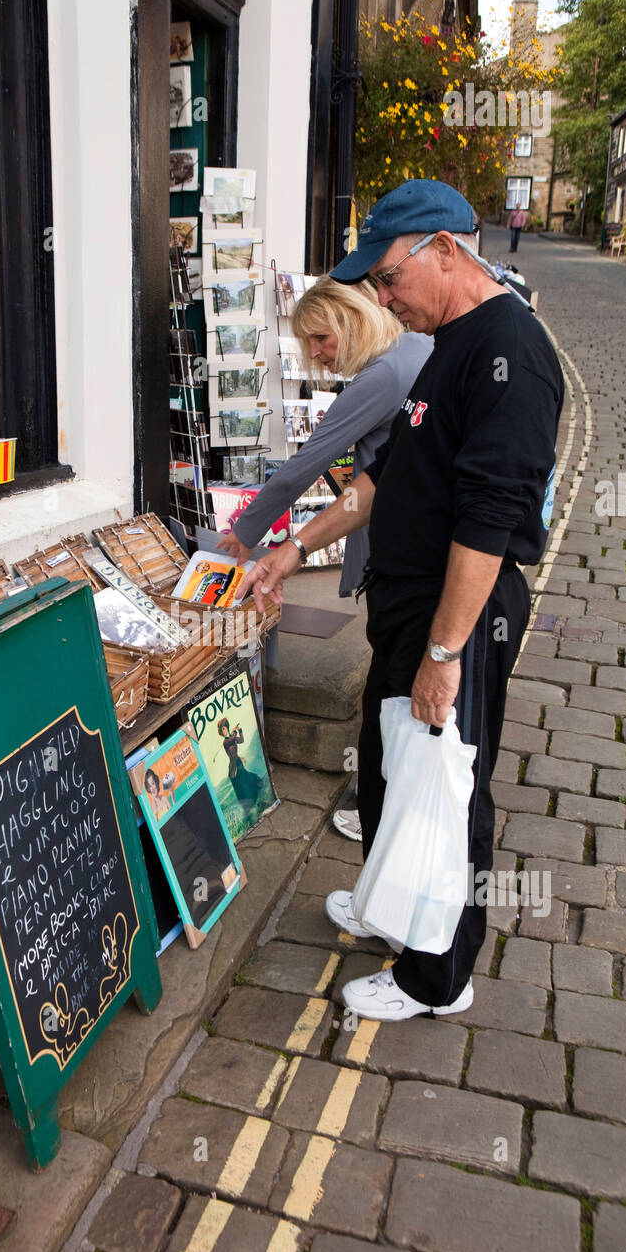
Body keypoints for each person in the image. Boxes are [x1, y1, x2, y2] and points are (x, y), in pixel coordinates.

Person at [237, 178, 562, 1023]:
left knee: (449, 785)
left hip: (458, 615)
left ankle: (436, 976)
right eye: (375, 286)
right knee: (390, 773)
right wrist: (296, 546)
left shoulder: (511, 354)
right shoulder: (446, 341)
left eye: (387, 277)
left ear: (444, 251)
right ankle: (396, 909)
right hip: (406, 604)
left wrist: (446, 655)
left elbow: (490, 523)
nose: (383, 298)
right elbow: (387, 476)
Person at [219, 276, 432, 600]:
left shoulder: (381, 377)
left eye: (320, 337)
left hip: (397, 542)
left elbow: (304, 466)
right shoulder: (417, 345)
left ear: (354, 322)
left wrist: (245, 530)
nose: (315, 352)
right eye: (308, 342)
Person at [218, 717, 263, 809]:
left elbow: (241, 740)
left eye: (224, 728)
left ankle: (253, 803)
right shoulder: (226, 741)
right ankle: (248, 807)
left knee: (249, 780)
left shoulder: (231, 738)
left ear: (227, 727)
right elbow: (232, 742)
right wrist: (234, 732)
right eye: (221, 729)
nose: (223, 730)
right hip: (233, 768)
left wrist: (240, 731)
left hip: (238, 763)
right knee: (241, 788)